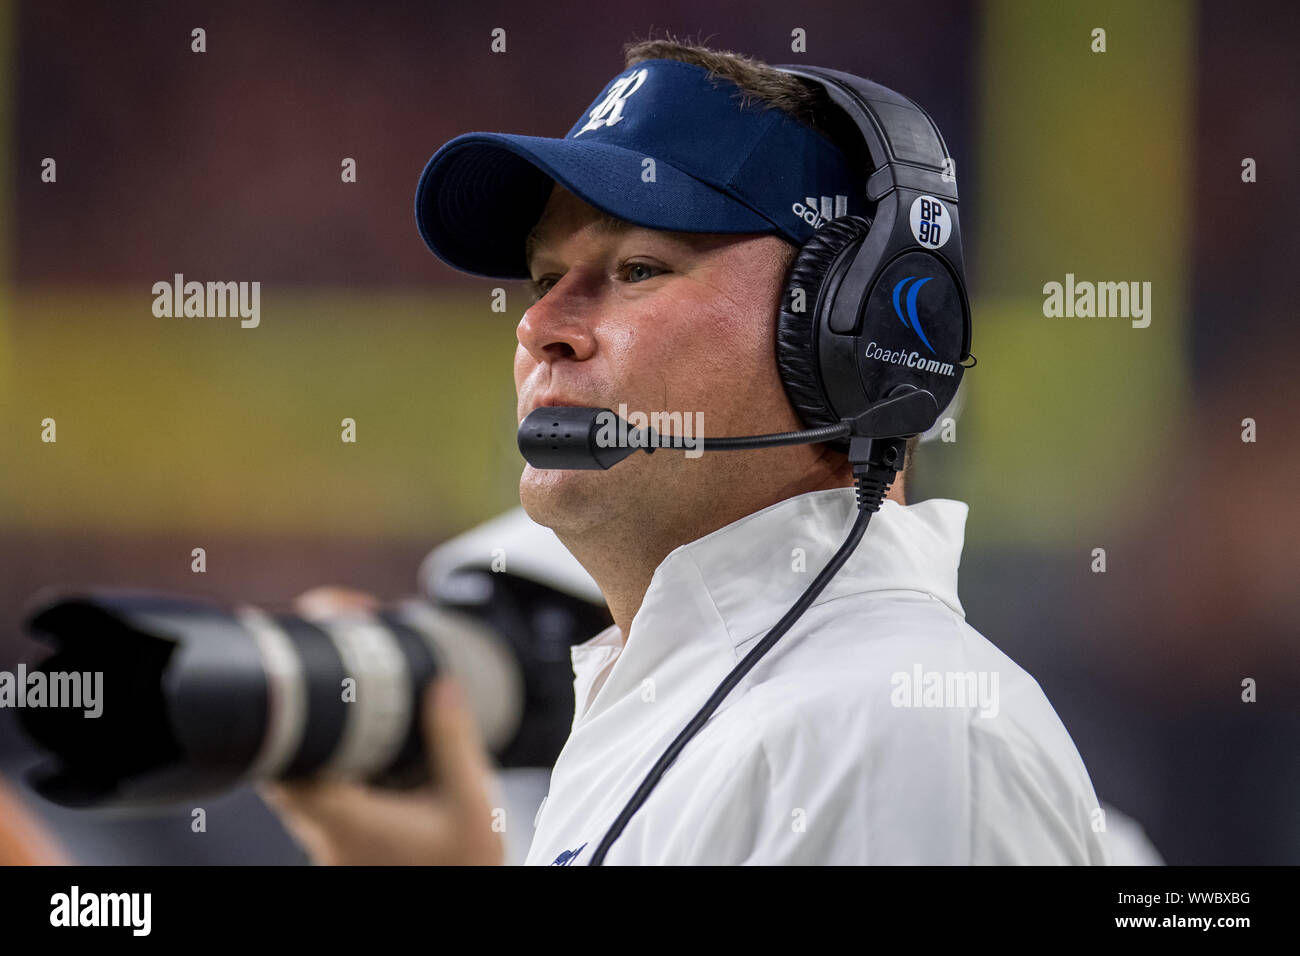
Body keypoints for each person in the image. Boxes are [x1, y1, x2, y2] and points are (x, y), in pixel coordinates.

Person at [263, 39, 1111, 865]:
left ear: (854, 335)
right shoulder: (673, 715)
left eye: (637, 269)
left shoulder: (891, 726)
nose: (538, 326)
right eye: (543, 279)